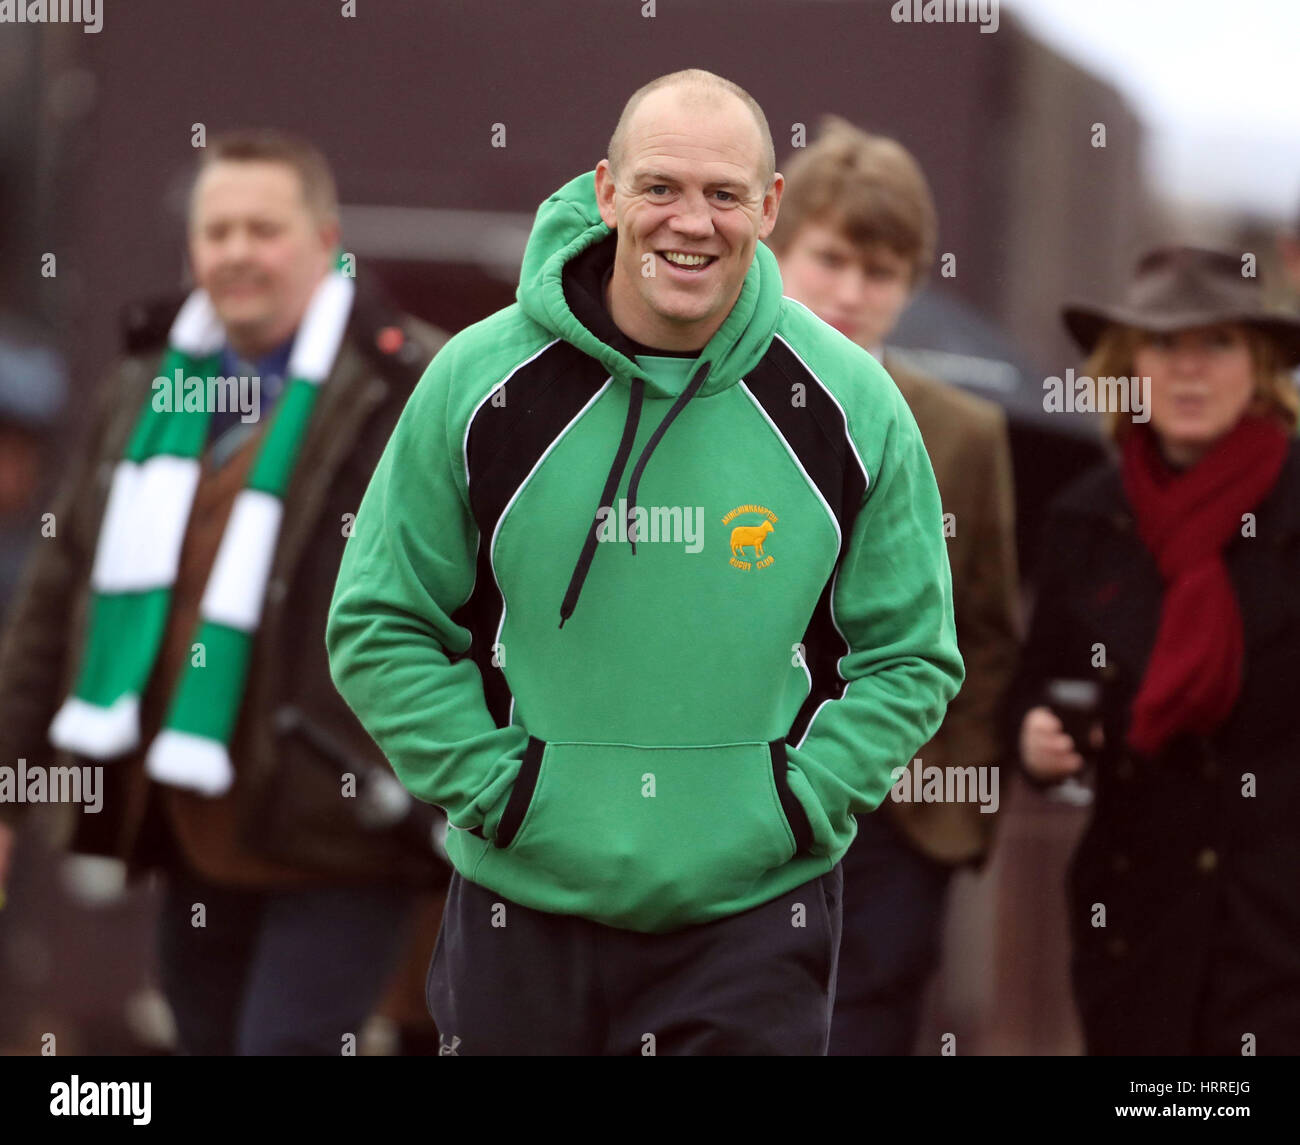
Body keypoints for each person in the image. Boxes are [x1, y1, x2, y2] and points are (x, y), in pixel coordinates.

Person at [326, 69, 964, 1056]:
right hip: (519, 908)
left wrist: (796, 802)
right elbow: (379, 621)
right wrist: (500, 788)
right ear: (609, 191)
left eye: (722, 193)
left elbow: (910, 653)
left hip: (754, 915)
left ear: (769, 204)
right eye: (661, 187)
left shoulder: (850, 402)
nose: (691, 223)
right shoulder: (476, 380)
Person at [0, 129, 450, 1054]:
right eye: (217, 230)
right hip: (185, 819)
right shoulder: (144, 385)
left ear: (326, 239)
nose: (237, 251)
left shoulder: (412, 387)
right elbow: (55, 596)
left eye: (263, 228)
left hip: (340, 834)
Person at [1003, 245, 1300, 1055]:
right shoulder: (1086, 519)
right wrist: (1038, 737)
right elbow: (1036, 685)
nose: (1189, 370)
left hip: (1275, 932)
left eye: (1219, 343)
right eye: (1165, 345)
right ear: (1127, 364)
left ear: (1262, 362)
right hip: (1138, 925)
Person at [769, 117, 1020, 1055]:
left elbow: (986, 626)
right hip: (732, 783)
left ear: (911, 285)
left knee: (867, 1025)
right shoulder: (703, 400)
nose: (848, 292)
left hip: (891, 811)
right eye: (829, 258)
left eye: (880, 273)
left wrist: (948, 810)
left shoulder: (960, 430)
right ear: (777, 248)